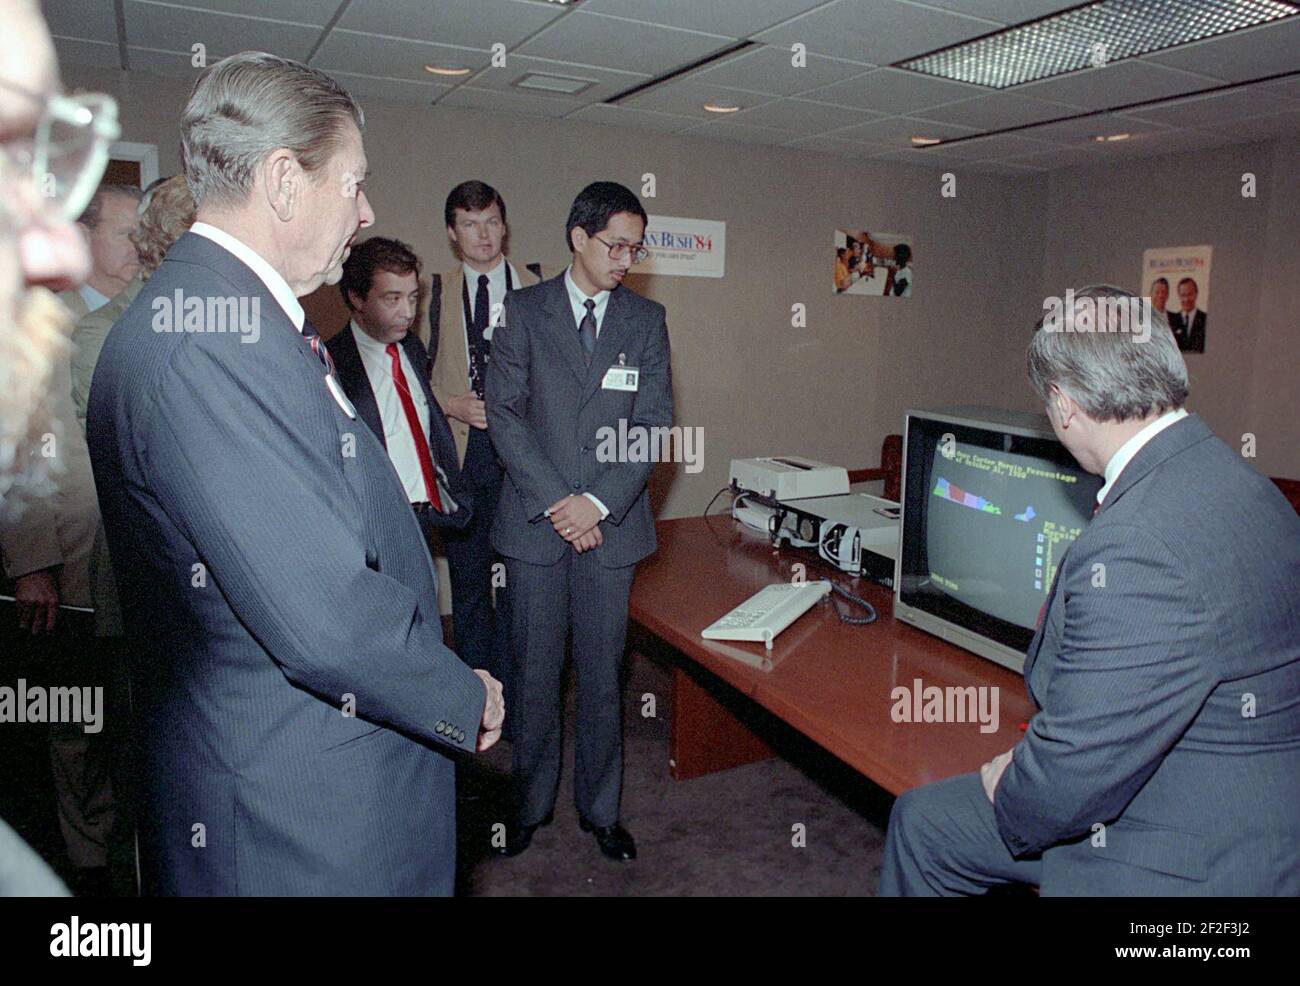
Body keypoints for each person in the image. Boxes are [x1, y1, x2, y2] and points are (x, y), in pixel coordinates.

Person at [86, 51, 503, 895]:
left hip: (308, 777)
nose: (366, 209)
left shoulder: (227, 319)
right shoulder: (207, 347)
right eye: (352, 183)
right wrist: (461, 692)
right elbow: (325, 618)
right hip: (294, 812)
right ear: (283, 181)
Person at [878, 285, 1300, 896]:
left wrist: (1011, 786)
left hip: (1193, 856)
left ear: (1064, 404)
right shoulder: (1250, 486)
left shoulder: (1138, 546)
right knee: (926, 824)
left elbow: (1073, 775)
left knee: (945, 817)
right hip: (1258, 799)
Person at [486, 181, 672, 862]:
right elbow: (503, 414)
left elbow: (653, 427)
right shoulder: (522, 311)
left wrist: (595, 503)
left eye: (634, 246)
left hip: (610, 528)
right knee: (535, 676)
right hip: (537, 527)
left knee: (602, 678)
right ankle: (529, 806)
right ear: (578, 238)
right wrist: (561, 502)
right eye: (615, 244)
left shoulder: (645, 322)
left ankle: (600, 811)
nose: (627, 258)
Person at [0, 0, 113, 896]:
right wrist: (30, 562)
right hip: (64, 561)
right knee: (71, 716)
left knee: (114, 705)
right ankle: (85, 860)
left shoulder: (127, 320)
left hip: (117, 553)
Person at [429, 180, 548, 693]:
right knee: (471, 581)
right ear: (453, 232)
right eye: (472, 225)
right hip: (464, 452)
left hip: (522, 456)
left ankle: (525, 695)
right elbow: (405, 379)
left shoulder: (540, 290)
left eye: (493, 222)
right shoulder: (433, 292)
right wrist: (449, 404)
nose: (484, 234)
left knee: (524, 584)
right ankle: (477, 693)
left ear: (505, 225)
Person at [329, 236, 472, 548]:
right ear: (357, 298)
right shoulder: (332, 363)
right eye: (392, 299)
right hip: (372, 524)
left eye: (413, 297)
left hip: (425, 518)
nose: (408, 312)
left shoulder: (413, 349)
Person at [57, 184, 140, 320]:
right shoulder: (55, 319)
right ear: (83, 236)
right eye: (125, 234)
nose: (139, 245)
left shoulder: (161, 307)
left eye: (143, 234)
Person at [1167, 276, 1206, 353]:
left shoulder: (1205, 319)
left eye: (1189, 294)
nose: (1186, 299)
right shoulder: (1171, 321)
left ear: (1196, 294)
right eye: (1183, 295)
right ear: (1178, 296)